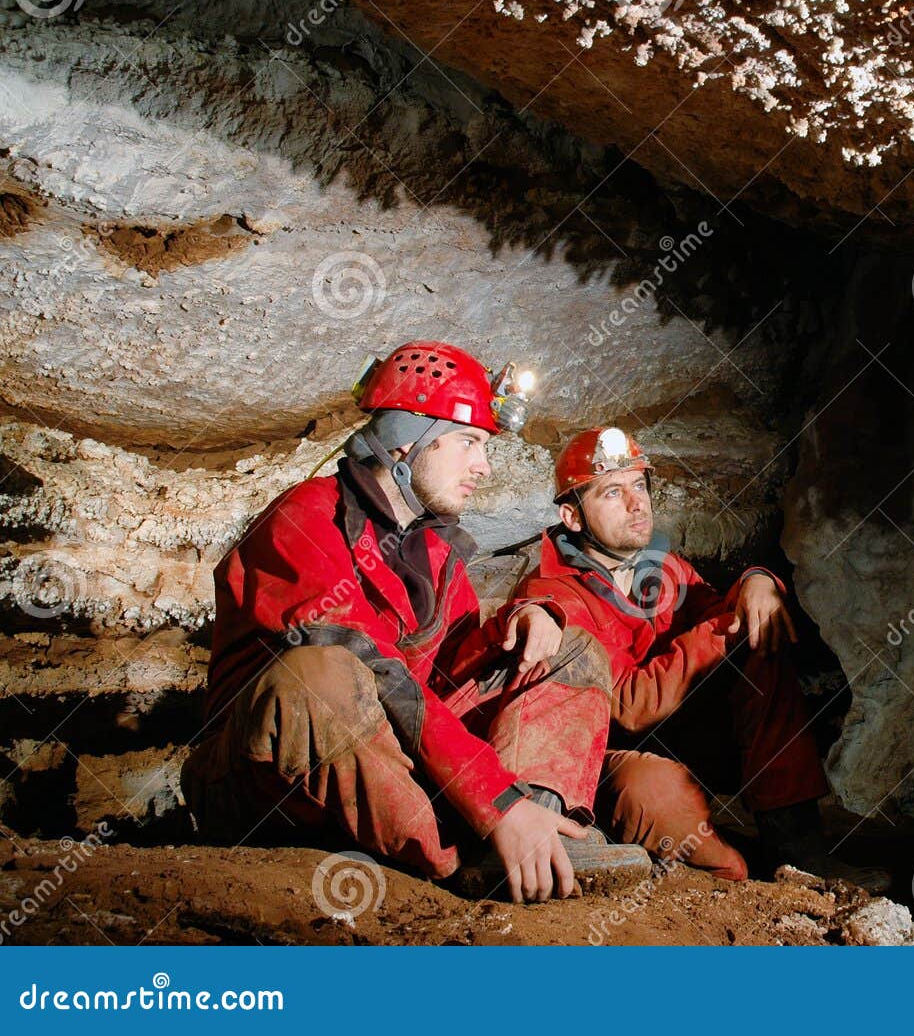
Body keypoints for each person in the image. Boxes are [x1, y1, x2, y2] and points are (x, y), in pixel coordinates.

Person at [181, 342, 647, 904]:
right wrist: (492, 803)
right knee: (322, 674)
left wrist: (528, 619)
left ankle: (544, 827)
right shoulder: (302, 521)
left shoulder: (433, 552)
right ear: (407, 439)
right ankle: (467, 851)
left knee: (567, 644)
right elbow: (383, 676)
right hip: (262, 779)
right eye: (469, 442)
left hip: (378, 758)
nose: (484, 465)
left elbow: (450, 674)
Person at [509, 425, 888, 890]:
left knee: (760, 645)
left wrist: (756, 580)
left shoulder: (662, 568)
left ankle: (801, 851)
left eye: (640, 485)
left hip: (681, 736)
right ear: (572, 516)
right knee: (706, 845)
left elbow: (724, 614)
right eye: (612, 492)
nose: (637, 503)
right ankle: (730, 864)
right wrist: (719, 629)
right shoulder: (552, 596)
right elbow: (626, 707)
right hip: (608, 759)